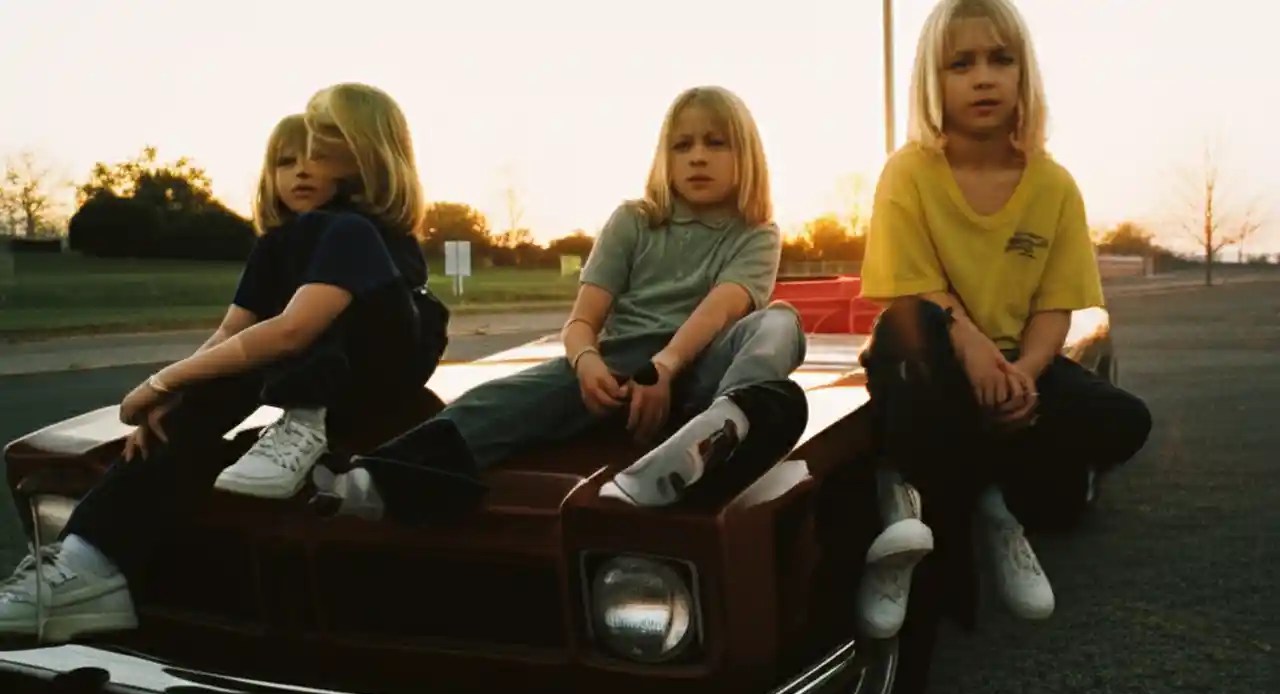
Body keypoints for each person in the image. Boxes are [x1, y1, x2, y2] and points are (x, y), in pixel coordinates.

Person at [0, 84, 450, 642]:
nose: (302, 169)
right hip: (307, 359)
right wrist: (173, 396)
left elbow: (293, 330)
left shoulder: (357, 232)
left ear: (365, 153)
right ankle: (89, 567)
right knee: (181, 409)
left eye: (318, 150)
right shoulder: (280, 245)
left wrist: (157, 380)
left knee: (282, 333)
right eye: (288, 159)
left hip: (380, 375)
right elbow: (232, 333)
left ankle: (308, 423)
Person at [311, 85, 810, 524]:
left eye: (715, 142)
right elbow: (582, 321)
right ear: (665, 158)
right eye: (683, 145)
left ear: (747, 155)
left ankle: (717, 434)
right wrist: (586, 360)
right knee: (498, 400)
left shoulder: (757, 233)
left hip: (701, 375)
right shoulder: (635, 221)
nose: (697, 156)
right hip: (615, 370)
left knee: (779, 324)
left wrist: (666, 367)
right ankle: (376, 482)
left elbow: (722, 309)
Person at [852, 0, 1152, 640]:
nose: (983, 77)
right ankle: (901, 516)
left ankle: (996, 503)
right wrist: (973, 349)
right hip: (926, 350)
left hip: (1015, 357)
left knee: (1125, 419)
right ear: (934, 80)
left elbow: (1056, 306)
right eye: (961, 63)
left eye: (1000, 59)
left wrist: (1024, 373)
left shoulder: (1054, 185)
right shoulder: (908, 171)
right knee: (916, 338)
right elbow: (907, 292)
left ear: (1024, 74)